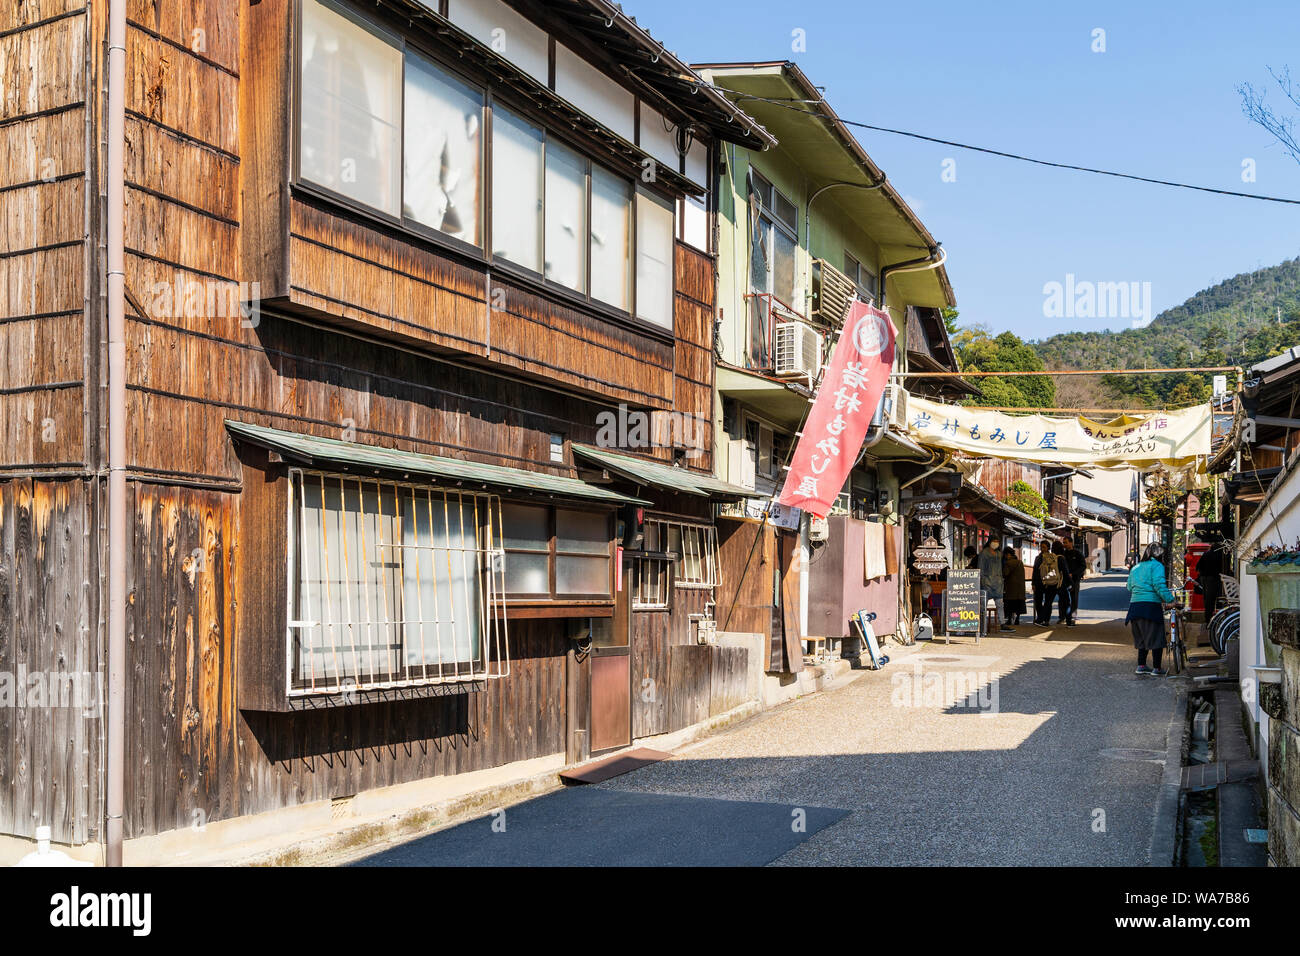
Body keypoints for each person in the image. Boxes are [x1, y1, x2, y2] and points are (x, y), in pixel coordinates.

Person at [1126, 542, 1176, 675]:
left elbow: (1129, 587)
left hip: (1134, 607)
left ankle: (1141, 666)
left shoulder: (1136, 567)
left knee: (1141, 639)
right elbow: (1159, 585)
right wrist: (1171, 600)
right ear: (1160, 554)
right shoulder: (1157, 565)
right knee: (1156, 638)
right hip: (1150, 607)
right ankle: (1157, 668)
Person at [977, 538, 1015, 632]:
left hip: (998, 583)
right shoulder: (984, 553)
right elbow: (980, 568)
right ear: (990, 542)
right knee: (983, 605)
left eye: (998, 542)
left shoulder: (999, 554)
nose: (996, 543)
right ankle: (982, 625)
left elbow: (1002, 567)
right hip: (986, 582)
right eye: (995, 541)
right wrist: (981, 580)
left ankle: (1002, 623)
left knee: (1000, 605)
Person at [1197, 539, 1225, 620]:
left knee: (1208, 599)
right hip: (1213, 578)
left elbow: (1198, 567)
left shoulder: (1206, 553)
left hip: (1204, 578)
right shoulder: (1220, 554)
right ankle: (1214, 618)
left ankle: (1208, 618)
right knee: (1216, 598)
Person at [1052, 540, 1077, 627]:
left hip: (1052, 582)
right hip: (1061, 583)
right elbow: (1065, 573)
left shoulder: (1052, 558)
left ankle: (1043, 620)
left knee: (1050, 602)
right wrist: (1071, 583)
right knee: (1067, 602)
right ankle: (1069, 621)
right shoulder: (1061, 558)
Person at [1002, 545, 1027, 626]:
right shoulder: (1020, 562)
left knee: (1009, 604)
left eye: (1005, 555)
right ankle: (1017, 619)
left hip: (1010, 588)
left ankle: (1009, 620)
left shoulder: (1008, 563)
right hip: (1020, 587)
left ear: (1008, 554)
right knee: (1018, 604)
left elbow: (1005, 574)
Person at [1064, 540, 1086, 622]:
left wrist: (1073, 574)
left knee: (1074, 598)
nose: (1064, 544)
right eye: (1063, 542)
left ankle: (1073, 615)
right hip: (1064, 579)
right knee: (1064, 598)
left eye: (1066, 542)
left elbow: (1083, 566)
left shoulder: (1078, 553)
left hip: (1075, 579)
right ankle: (1063, 615)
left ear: (1071, 543)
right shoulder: (1063, 554)